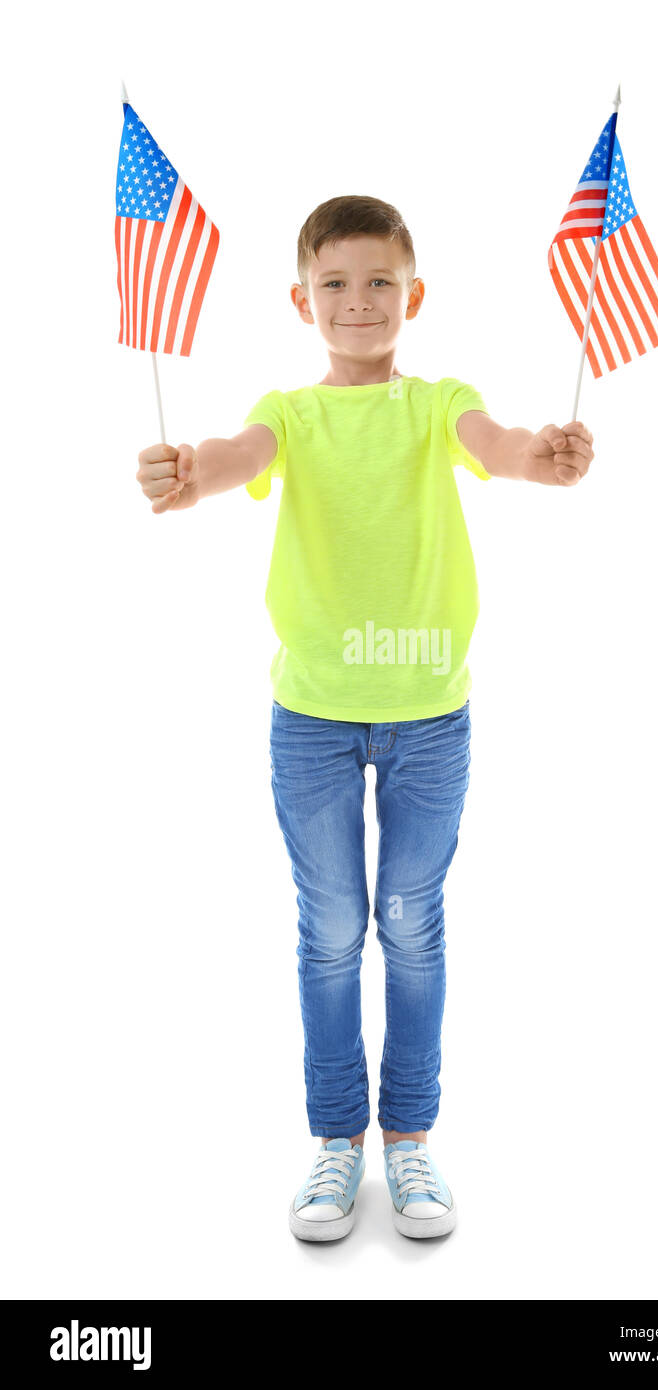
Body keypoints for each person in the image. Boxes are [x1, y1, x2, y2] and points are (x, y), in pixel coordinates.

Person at [135, 195, 595, 1243]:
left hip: (429, 713)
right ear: (300, 299)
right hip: (312, 719)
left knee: (411, 923)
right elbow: (232, 456)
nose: (356, 301)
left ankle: (409, 1137)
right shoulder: (290, 415)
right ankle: (338, 1138)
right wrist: (184, 477)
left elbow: (503, 443)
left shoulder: (437, 405)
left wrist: (545, 455)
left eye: (378, 281)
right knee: (333, 928)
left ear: (412, 295)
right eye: (334, 283)